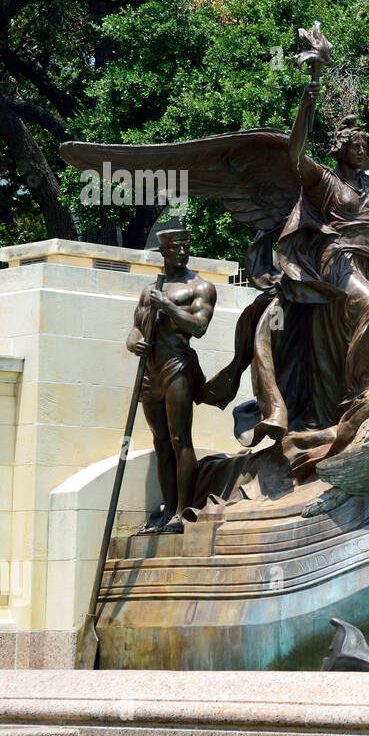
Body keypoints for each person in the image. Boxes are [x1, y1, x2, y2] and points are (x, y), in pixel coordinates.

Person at [126, 229, 216, 534]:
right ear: (163, 251)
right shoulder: (148, 290)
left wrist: (168, 307)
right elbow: (135, 330)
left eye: (186, 246)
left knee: (180, 439)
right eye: (176, 247)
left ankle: (183, 511)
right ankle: (167, 511)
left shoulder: (200, 286)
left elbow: (199, 327)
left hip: (177, 366)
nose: (182, 252)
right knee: (160, 442)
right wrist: (133, 343)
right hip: (151, 371)